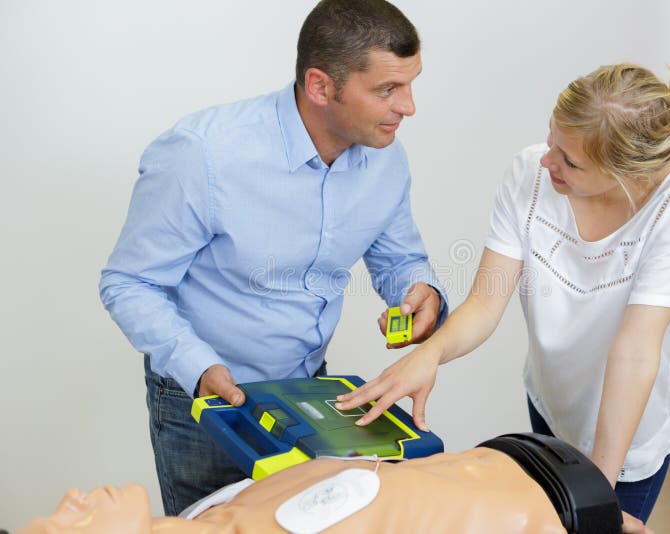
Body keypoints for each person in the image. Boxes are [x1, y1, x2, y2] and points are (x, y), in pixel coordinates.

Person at [99, 0, 448, 516]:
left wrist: (420, 290)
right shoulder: (204, 153)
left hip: (313, 391)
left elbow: (399, 256)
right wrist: (199, 370)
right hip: (205, 401)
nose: (409, 107)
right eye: (387, 90)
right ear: (320, 86)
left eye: (411, 84)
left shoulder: (384, 156)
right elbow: (129, 283)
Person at [337, 63, 670, 529]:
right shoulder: (529, 173)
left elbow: (636, 351)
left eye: (570, 161)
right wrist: (430, 354)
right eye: (551, 140)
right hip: (551, 400)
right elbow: (485, 302)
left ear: (626, 175)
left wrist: (597, 492)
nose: (546, 161)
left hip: (629, 428)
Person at [18, 433, 644, 534]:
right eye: (60, 526)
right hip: (567, 512)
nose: (69, 500)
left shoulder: (207, 517)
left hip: (527, 458)